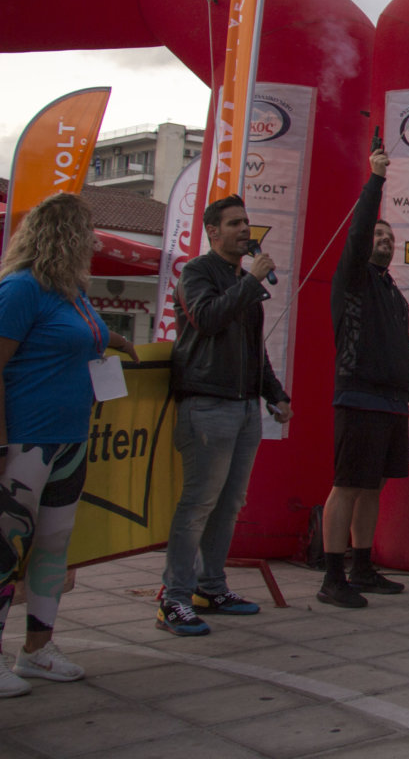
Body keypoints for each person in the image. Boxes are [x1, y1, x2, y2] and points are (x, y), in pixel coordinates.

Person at [0, 194, 137, 694]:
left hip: (70, 439)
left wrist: (118, 342)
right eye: (88, 231)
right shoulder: (20, 290)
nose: (95, 240)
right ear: (65, 236)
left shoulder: (72, 295)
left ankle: (37, 649)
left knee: (54, 542)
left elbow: (88, 339)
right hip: (25, 439)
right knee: (4, 544)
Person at [158, 194, 291, 636]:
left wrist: (274, 392)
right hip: (206, 402)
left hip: (244, 406)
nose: (243, 231)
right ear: (212, 231)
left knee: (230, 503)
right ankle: (173, 598)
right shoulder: (197, 273)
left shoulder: (243, 280)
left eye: (246, 223)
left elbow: (256, 348)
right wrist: (251, 282)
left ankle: (210, 586)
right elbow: (208, 319)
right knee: (197, 504)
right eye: (234, 223)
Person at [318, 149, 409, 609]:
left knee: (373, 486)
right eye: (378, 235)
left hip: (391, 402)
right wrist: (375, 180)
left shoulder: (393, 292)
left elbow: (403, 347)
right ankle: (331, 576)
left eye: (389, 237)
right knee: (346, 485)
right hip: (358, 396)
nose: (383, 240)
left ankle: (362, 564)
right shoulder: (353, 279)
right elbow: (359, 231)